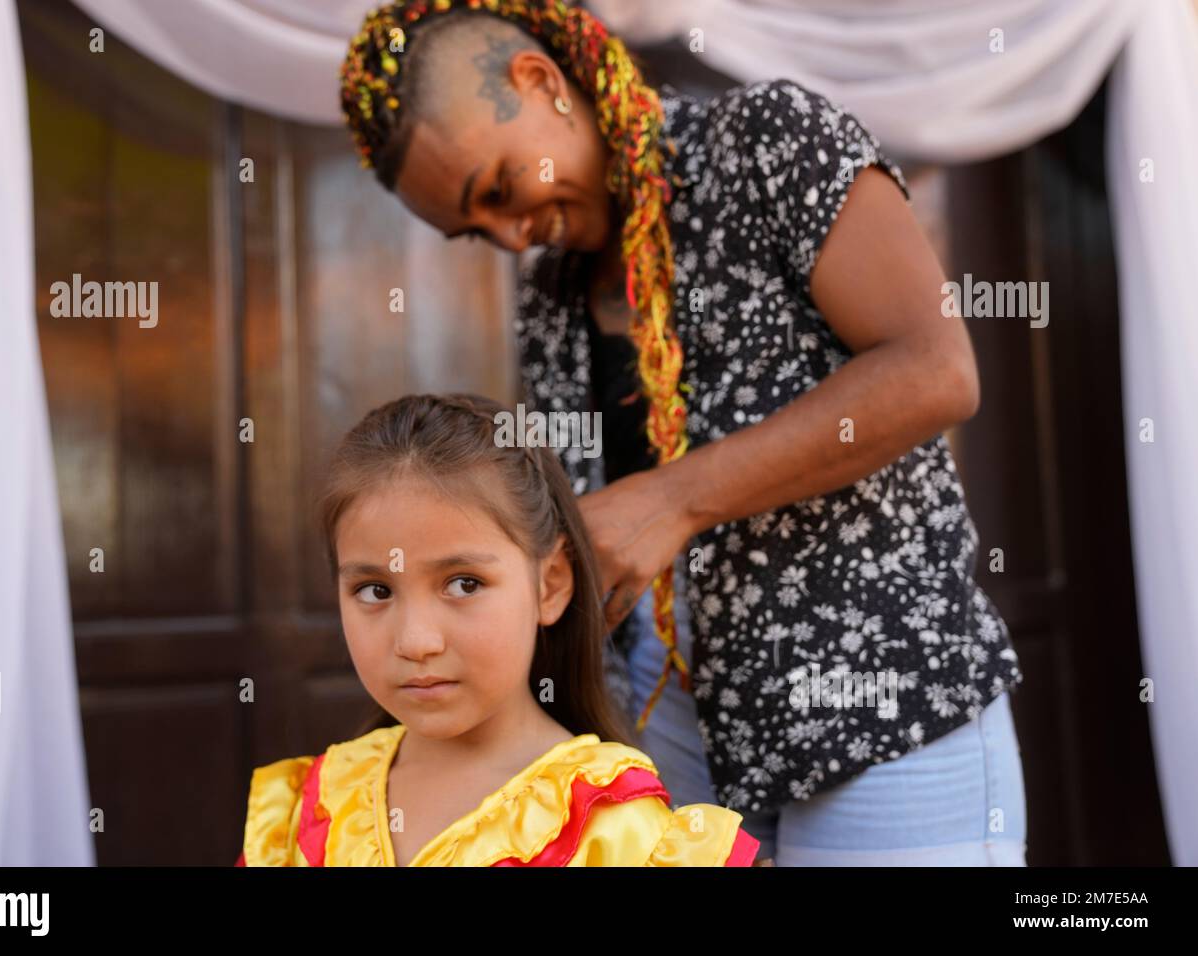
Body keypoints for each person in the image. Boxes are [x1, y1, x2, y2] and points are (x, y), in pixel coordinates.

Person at [339, 1, 1026, 864]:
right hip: (675, 726)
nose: (513, 234)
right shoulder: (551, 290)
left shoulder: (765, 139)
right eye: (478, 230)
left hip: (880, 703)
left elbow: (934, 370)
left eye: (502, 188)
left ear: (540, 83)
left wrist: (671, 501)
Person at [236, 393, 761, 867]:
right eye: (375, 591)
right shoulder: (308, 810)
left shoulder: (615, 831)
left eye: (464, 584)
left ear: (550, 584)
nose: (416, 641)